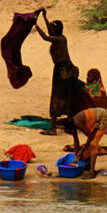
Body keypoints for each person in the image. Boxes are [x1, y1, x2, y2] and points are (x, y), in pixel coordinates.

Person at [32, 7, 78, 137]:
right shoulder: (61, 37)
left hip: (62, 70)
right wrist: (44, 17)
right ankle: (70, 125)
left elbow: (46, 37)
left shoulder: (59, 39)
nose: (50, 29)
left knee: (57, 96)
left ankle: (53, 128)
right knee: (67, 96)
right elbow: (50, 32)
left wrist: (35, 25)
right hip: (66, 68)